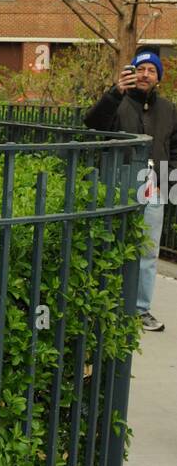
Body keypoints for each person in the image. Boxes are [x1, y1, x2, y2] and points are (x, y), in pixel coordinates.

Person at [84, 51, 177, 332]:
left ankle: (140, 309)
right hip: (120, 181)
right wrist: (113, 94)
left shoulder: (168, 109)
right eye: (141, 68)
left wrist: (168, 182)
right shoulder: (118, 101)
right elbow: (92, 124)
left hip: (154, 184)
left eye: (151, 69)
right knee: (113, 245)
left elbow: (174, 149)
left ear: (158, 76)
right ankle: (107, 306)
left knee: (148, 250)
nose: (145, 74)